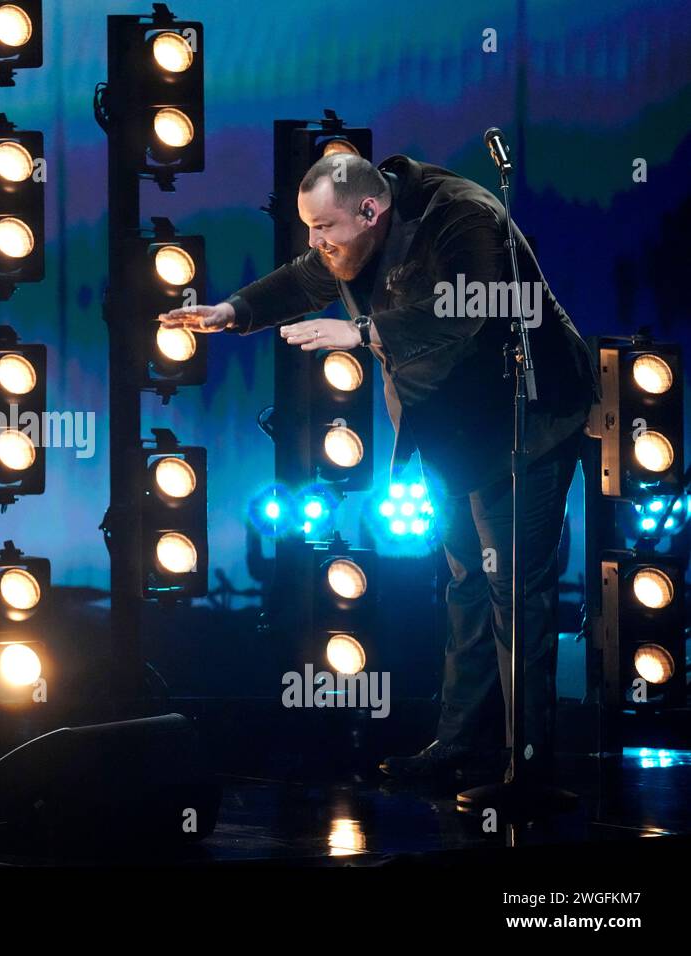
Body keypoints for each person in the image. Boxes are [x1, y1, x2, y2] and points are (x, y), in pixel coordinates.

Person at [160, 151, 598, 785]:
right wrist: (234, 313)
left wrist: (361, 332)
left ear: (371, 209)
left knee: (515, 594)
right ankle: (463, 744)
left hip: (522, 420)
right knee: (468, 582)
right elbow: (310, 274)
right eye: (309, 227)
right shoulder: (352, 238)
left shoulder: (463, 216)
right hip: (449, 426)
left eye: (324, 227)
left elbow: (474, 309)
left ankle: (528, 767)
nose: (315, 242)